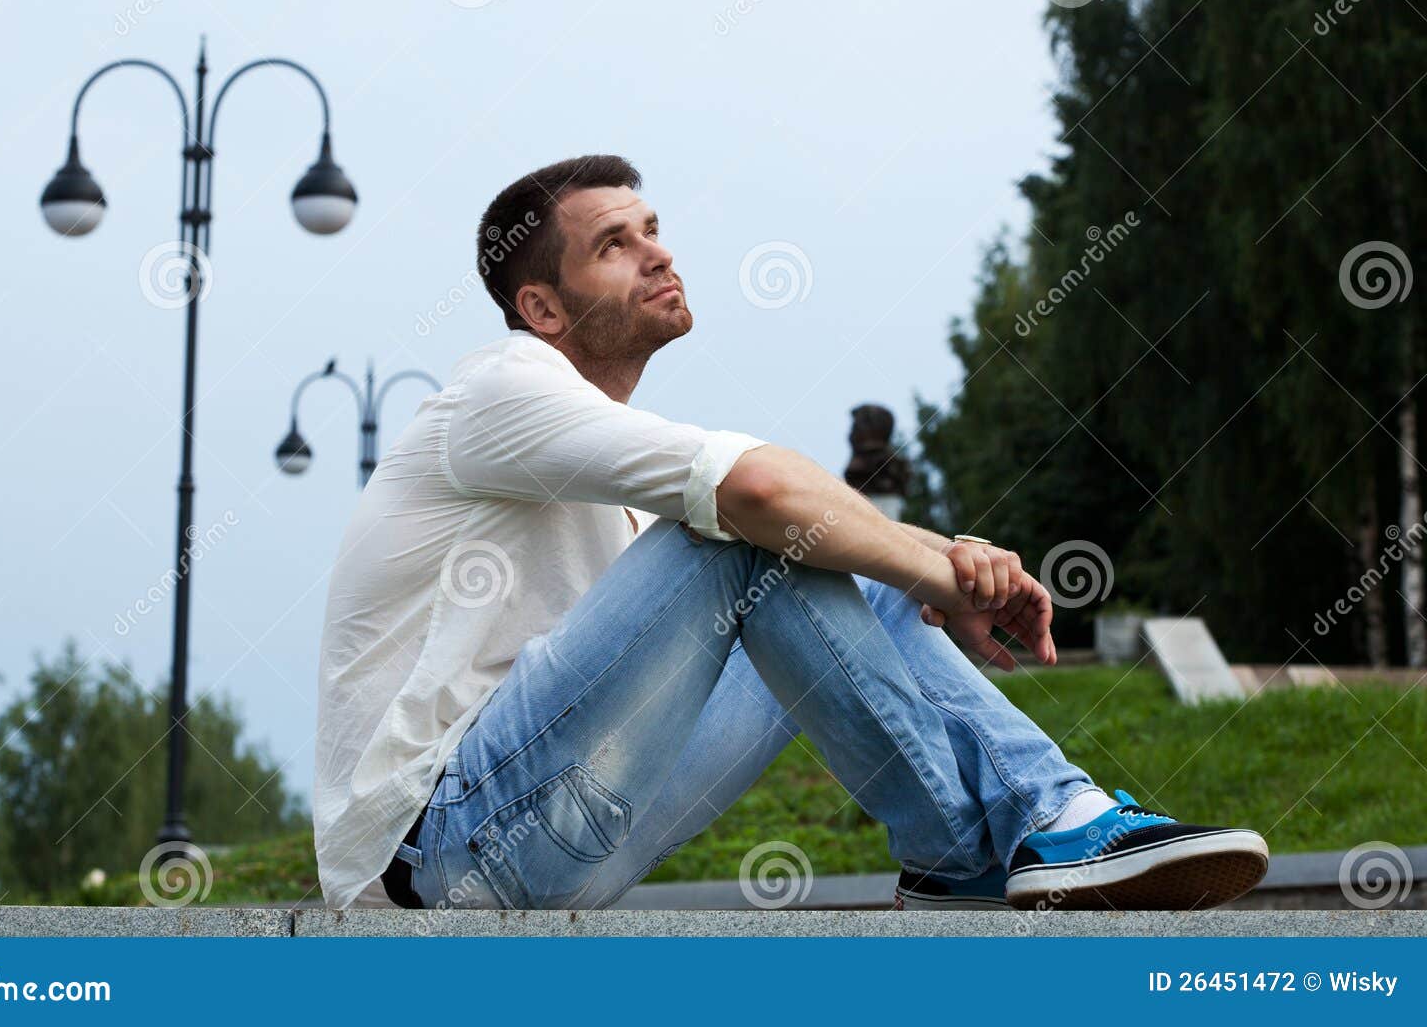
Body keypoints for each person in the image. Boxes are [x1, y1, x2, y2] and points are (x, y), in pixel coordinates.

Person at [313, 154, 1269, 912]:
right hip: (438, 851)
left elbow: (792, 505)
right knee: (745, 529)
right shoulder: (500, 386)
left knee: (829, 550)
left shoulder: (616, 488)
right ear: (542, 308)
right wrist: (941, 572)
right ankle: (965, 844)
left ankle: (1048, 815)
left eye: (655, 230)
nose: (658, 253)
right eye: (614, 244)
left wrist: (933, 567)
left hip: (571, 833)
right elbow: (760, 490)